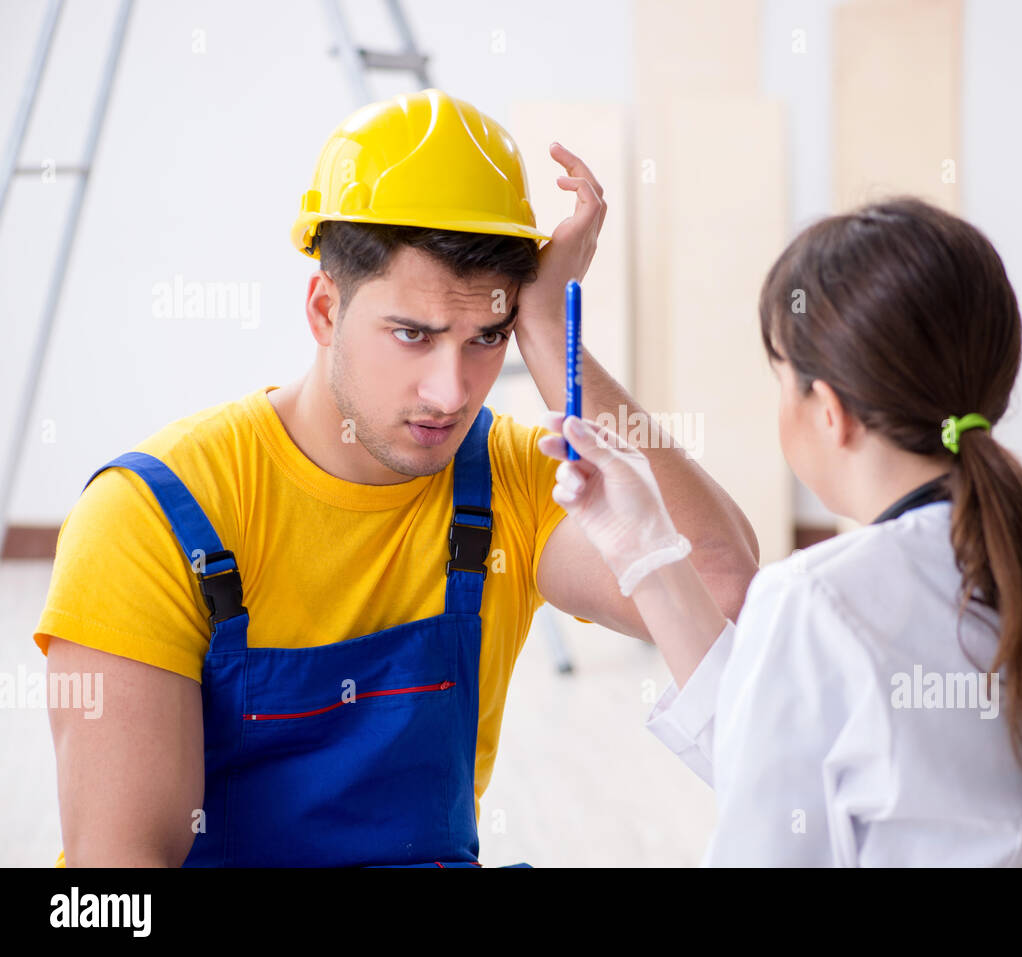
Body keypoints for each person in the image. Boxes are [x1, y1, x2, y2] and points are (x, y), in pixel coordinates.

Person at [35, 89, 758, 867]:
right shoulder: (153, 515)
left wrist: (549, 329)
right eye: (412, 334)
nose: (451, 392)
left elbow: (718, 591)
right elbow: (118, 888)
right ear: (323, 309)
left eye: (487, 336)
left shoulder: (509, 478)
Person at [538, 197, 1022, 867]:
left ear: (830, 412)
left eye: (781, 376)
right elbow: (800, 747)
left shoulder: (818, 598)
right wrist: (646, 548)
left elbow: (771, 826)